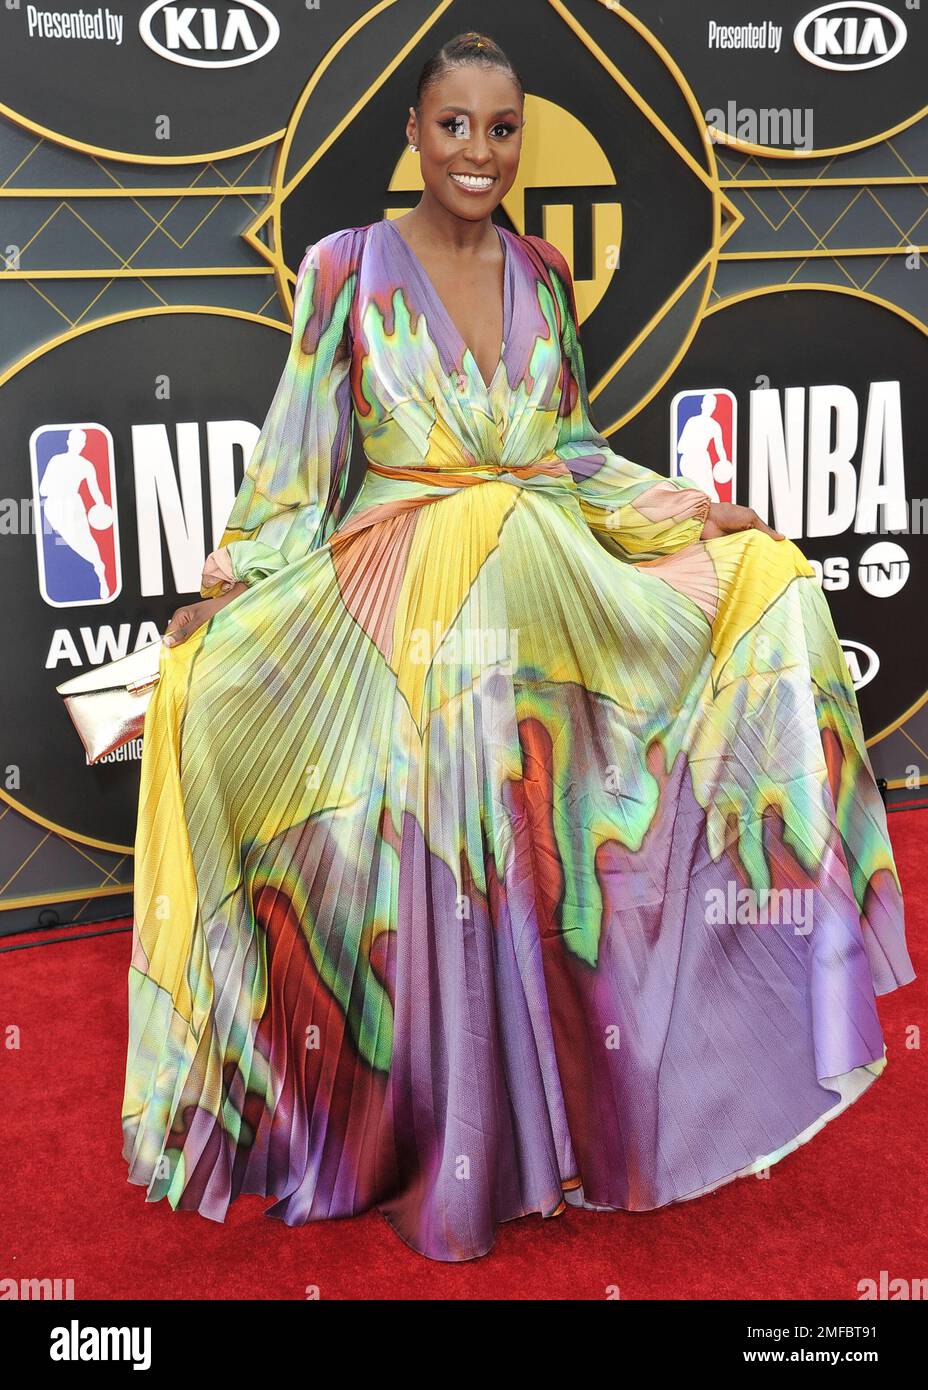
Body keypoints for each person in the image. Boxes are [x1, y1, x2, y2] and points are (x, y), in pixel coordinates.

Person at [121, 31, 915, 1264]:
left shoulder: (544, 273)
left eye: (500, 129)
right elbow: (300, 457)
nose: (478, 151)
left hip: (541, 593)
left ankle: (570, 1124)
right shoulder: (344, 269)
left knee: (745, 614)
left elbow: (572, 452)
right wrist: (230, 585)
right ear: (412, 132)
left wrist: (693, 517)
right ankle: (451, 1145)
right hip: (416, 606)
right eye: (453, 125)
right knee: (451, 856)